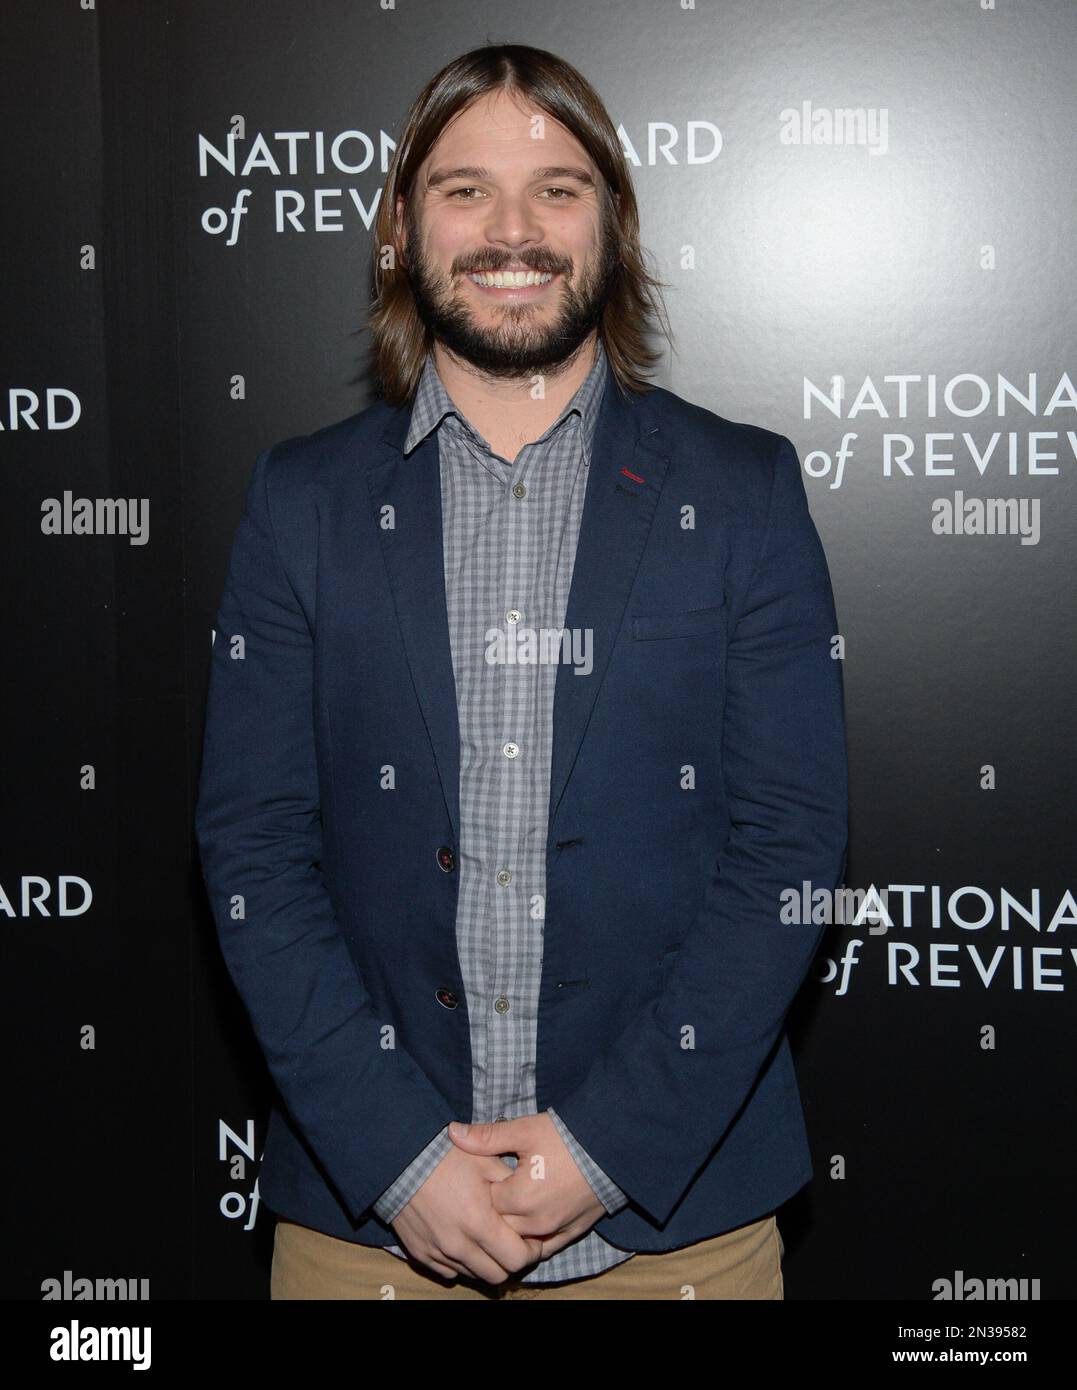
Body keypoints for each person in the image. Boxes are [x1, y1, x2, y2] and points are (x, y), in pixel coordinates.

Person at [194, 43, 848, 1301]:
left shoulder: (744, 492)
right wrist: (395, 1158)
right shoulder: (302, 503)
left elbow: (791, 846)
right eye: (463, 189)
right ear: (400, 228)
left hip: (678, 1235)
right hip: (363, 1235)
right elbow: (252, 852)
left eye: (557, 188)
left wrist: (606, 1150)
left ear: (614, 225)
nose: (512, 229)